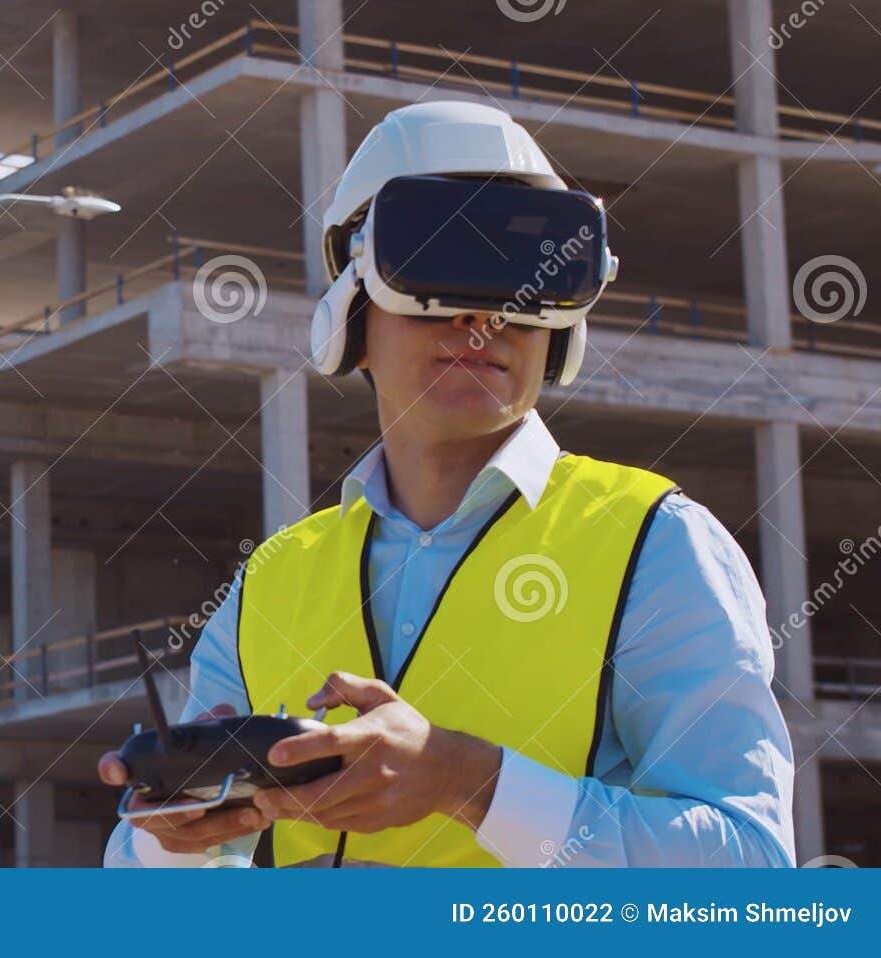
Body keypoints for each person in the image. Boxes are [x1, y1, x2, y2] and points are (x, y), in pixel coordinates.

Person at [99, 100, 795, 868]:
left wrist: (470, 783)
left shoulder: (656, 544)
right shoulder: (272, 579)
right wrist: (177, 837)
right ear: (352, 314)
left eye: (522, 281)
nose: (481, 318)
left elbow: (751, 867)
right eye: (438, 265)